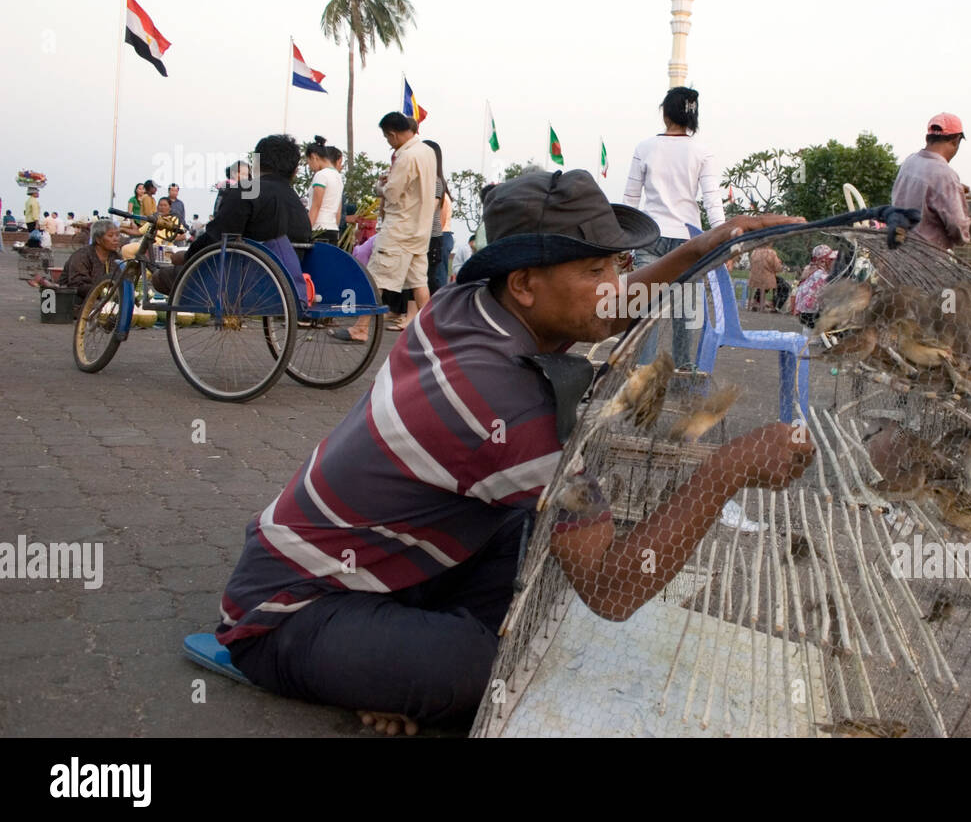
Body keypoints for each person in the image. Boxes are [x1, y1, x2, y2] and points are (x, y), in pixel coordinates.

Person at [211, 168, 808, 734]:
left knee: (531, 529)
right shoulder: (505, 405)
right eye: (595, 270)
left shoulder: (466, 305)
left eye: (615, 267)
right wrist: (732, 467)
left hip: (380, 565)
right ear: (524, 285)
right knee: (487, 669)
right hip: (288, 610)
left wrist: (705, 246)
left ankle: (392, 655)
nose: (613, 289)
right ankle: (380, 665)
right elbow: (612, 588)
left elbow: (606, 307)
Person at [624, 86, 724, 368]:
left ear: (665, 113)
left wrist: (625, 242)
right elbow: (713, 203)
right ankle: (682, 371)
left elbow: (631, 200)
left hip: (650, 236)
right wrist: (726, 239)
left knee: (647, 313)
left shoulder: (644, 148)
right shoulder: (702, 152)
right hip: (688, 240)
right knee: (685, 315)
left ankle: (643, 376)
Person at [151, 140, 311, 296]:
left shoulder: (248, 190)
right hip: (290, 281)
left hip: (244, 279)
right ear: (295, 170)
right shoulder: (297, 201)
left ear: (256, 164)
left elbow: (217, 235)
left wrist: (188, 256)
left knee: (160, 277)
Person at [334, 113, 439, 343]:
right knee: (419, 282)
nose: (388, 142)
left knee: (375, 278)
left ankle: (361, 328)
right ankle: (433, 332)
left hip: (399, 229)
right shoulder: (427, 152)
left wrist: (380, 186)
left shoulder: (406, 157)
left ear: (393, 134)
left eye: (387, 137)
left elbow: (392, 193)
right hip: (419, 229)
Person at [888, 112, 971, 251]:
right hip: (926, 259)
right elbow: (958, 229)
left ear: (928, 138)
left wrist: (955, 189)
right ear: (956, 140)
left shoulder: (909, 162)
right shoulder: (946, 175)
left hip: (898, 252)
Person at [28, 219, 121, 309]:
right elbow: (78, 285)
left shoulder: (116, 257)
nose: (116, 239)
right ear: (98, 239)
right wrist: (104, 292)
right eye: (111, 235)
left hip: (102, 297)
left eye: (117, 235)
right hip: (76, 297)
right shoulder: (82, 256)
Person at [424, 140, 454, 293]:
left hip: (441, 235)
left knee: (436, 279)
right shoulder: (436, 184)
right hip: (441, 235)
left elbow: (438, 219)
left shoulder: (437, 186)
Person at [305, 137, 345, 245]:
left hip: (318, 228)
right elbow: (338, 210)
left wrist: (305, 232)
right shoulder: (338, 176)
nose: (310, 167)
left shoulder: (321, 175)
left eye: (308, 162)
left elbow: (316, 207)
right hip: (332, 229)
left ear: (314, 157)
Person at [793, 244, 837, 334]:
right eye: (831, 260)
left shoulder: (810, 269)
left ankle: (810, 333)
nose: (833, 262)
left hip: (804, 313)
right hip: (811, 315)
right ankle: (815, 336)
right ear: (824, 261)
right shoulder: (821, 275)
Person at [747, 244, 784, 311]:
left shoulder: (754, 252)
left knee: (762, 285)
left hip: (754, 278)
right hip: (766, 279)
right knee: (784, 285)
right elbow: (777, 268)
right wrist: (780, 263)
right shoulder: (771, 252)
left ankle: (756, 301)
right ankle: (775, 305)